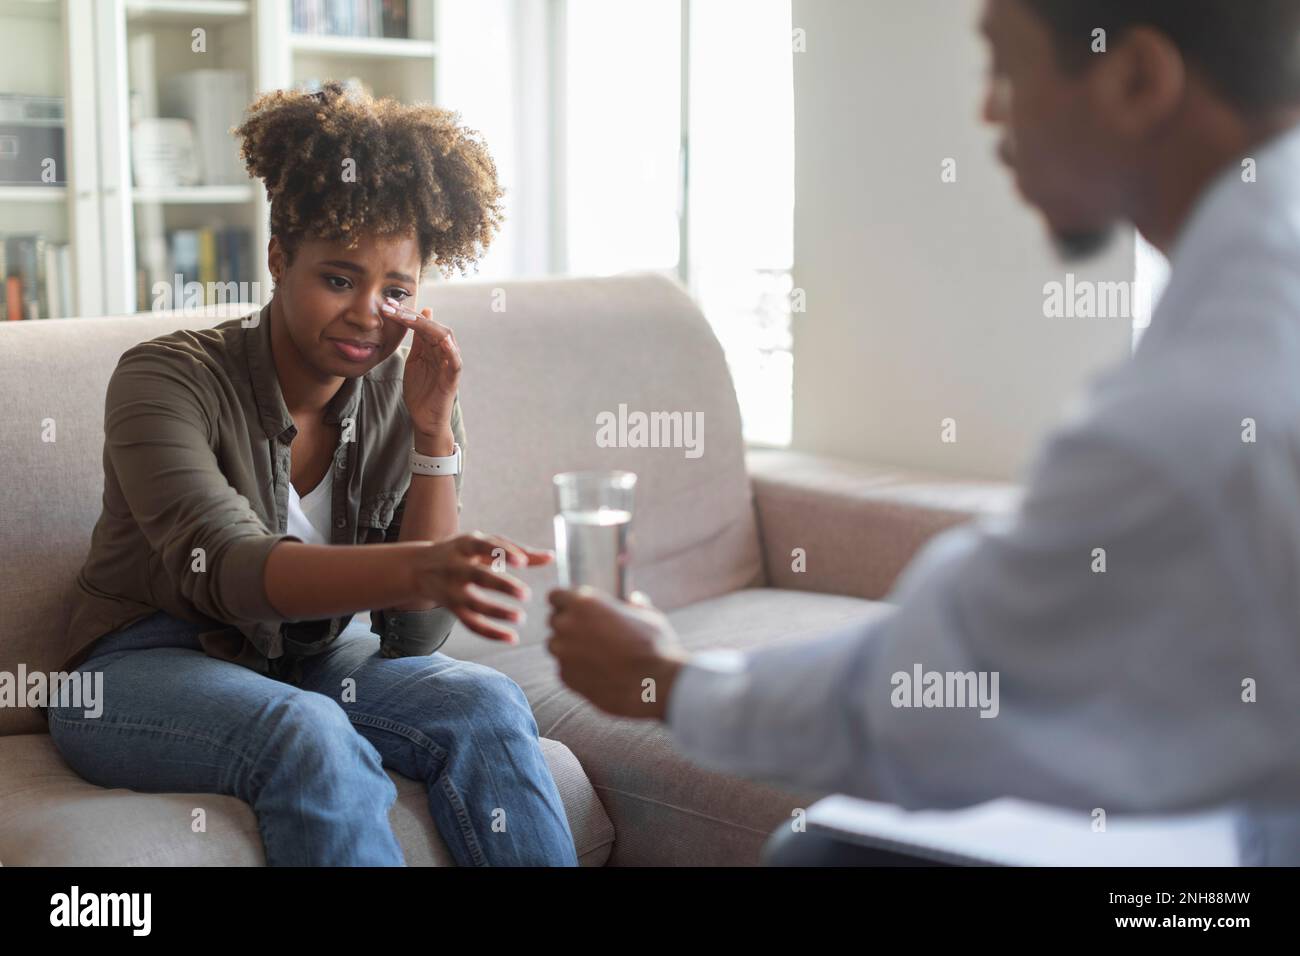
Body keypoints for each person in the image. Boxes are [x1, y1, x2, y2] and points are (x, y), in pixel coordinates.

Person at [545, 0, 1300, 865]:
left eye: (1004, 68)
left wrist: (667, 682)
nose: (987, 111)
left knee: (820, 856)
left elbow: (931, 695)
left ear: (1135, 77)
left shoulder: (1208, 389)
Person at [46, 82, 578, 866]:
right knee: (306, 731)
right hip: (143, 665)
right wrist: (424, 563)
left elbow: (415, 634)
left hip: (314, 657)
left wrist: (434, 437)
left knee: (487, 700)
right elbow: (227, 570)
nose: (370, 313)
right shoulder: (164, 379)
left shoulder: (412, 390)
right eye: (339, 278)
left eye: (397, 290)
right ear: (277, 260)